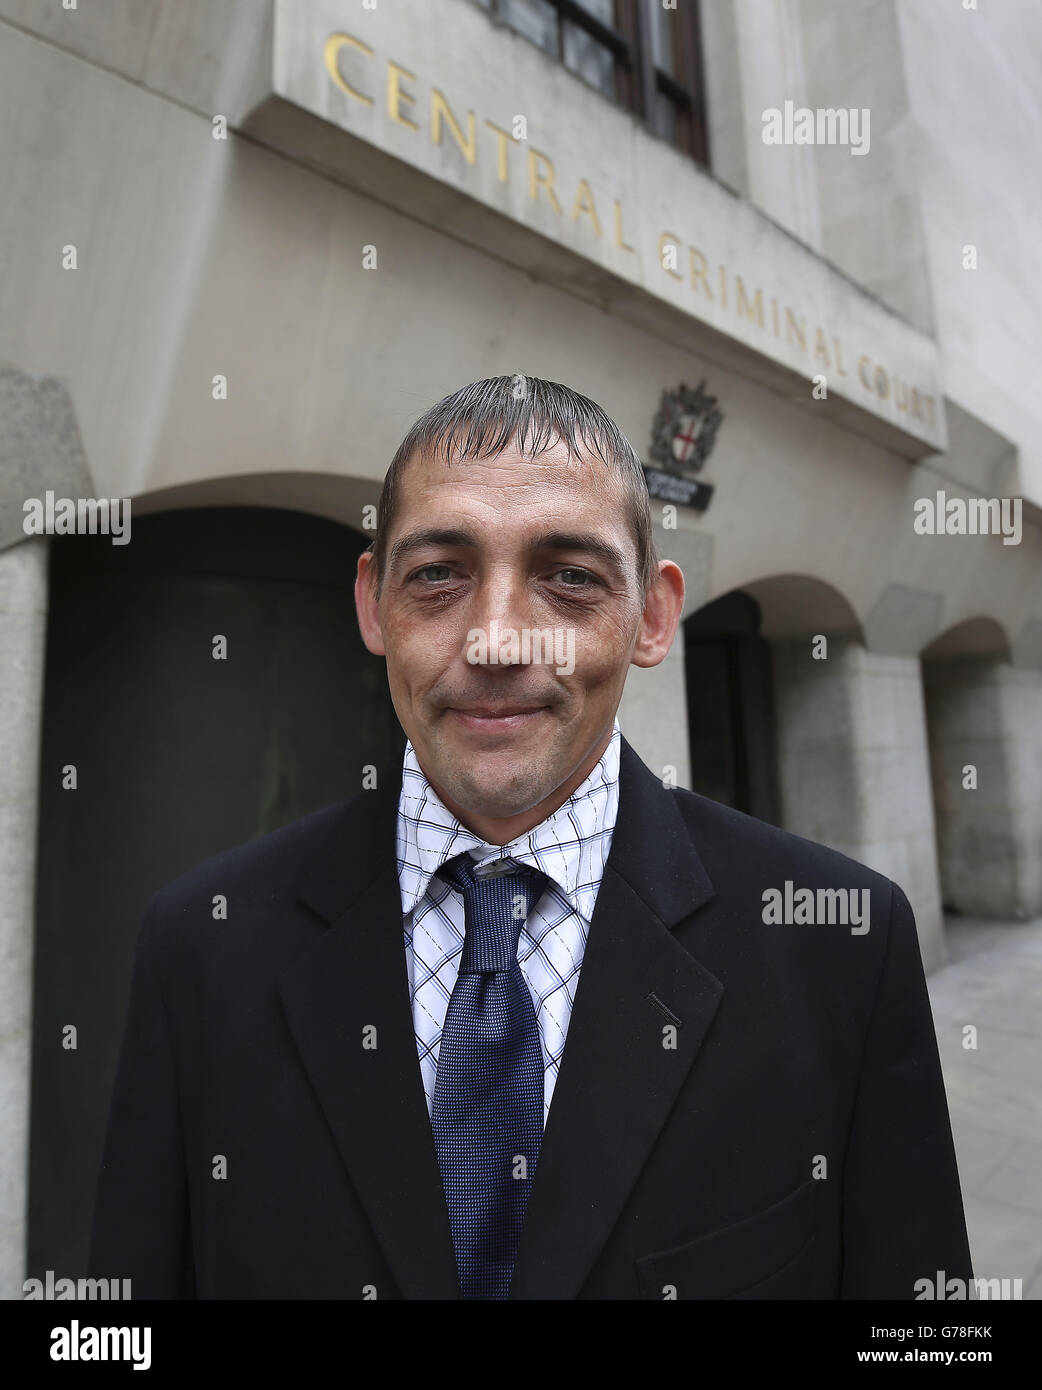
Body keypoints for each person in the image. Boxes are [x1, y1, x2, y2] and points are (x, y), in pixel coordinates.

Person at [88, 374, 972, 1299]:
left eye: (569, 578)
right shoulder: (201, 944)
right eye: (438, 575)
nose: (500, 641)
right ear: (371, 605)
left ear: (655, 616)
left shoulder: (838, 946)